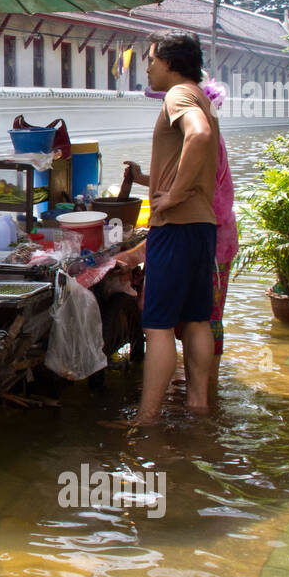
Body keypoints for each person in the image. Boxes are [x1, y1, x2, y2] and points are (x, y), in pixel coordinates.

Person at [123, 31, 219, 425]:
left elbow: (199, 136)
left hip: (176, 227)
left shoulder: (178, 95)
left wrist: (174, 196)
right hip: (202, 226)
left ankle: (145, 421)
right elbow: (191, 151)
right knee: (196, 319)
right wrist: (155, 182)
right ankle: (198, 405)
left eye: (150, 59)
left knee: (158, 326)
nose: (146, 67)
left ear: (168, 61)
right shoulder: (201, 96)